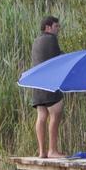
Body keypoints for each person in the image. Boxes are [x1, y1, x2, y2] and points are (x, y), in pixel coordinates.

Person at [30, 15, 64, 158]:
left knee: (42, 115)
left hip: (37, 84)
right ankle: (52, 150)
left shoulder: (36, 41)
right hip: (49, 83)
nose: (58, 29)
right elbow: (58, 59)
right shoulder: (51, 39)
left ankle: (42, 151)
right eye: (56, 26)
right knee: (56, 112)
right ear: (48, 27)